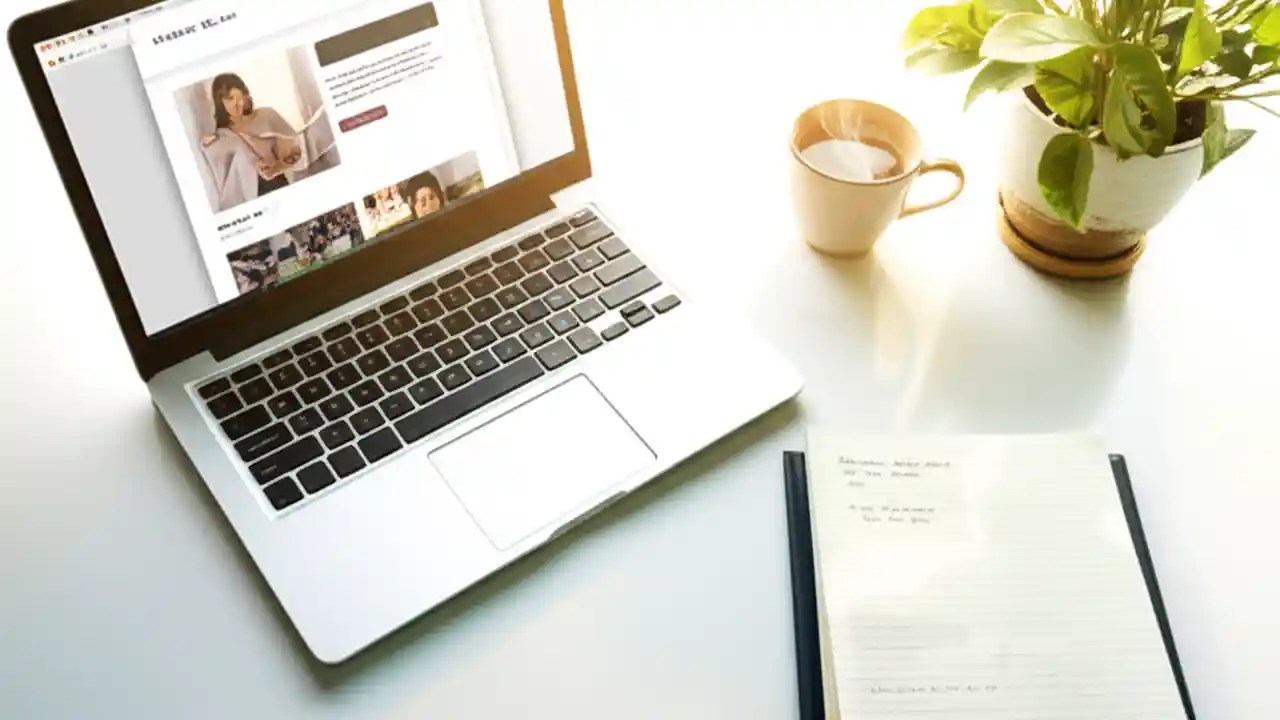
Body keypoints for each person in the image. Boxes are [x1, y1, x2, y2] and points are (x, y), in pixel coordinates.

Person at [200, 73, 302, 206]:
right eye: (230, 99)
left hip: (277, 185)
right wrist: (208, 145)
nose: (237, 104)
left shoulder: (266, 115)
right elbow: (224, 169)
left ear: (245, 96)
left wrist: (276, 168)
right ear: (221, 101)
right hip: (250, 196)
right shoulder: (223, 134)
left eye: (239, 97)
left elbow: (295, 150)